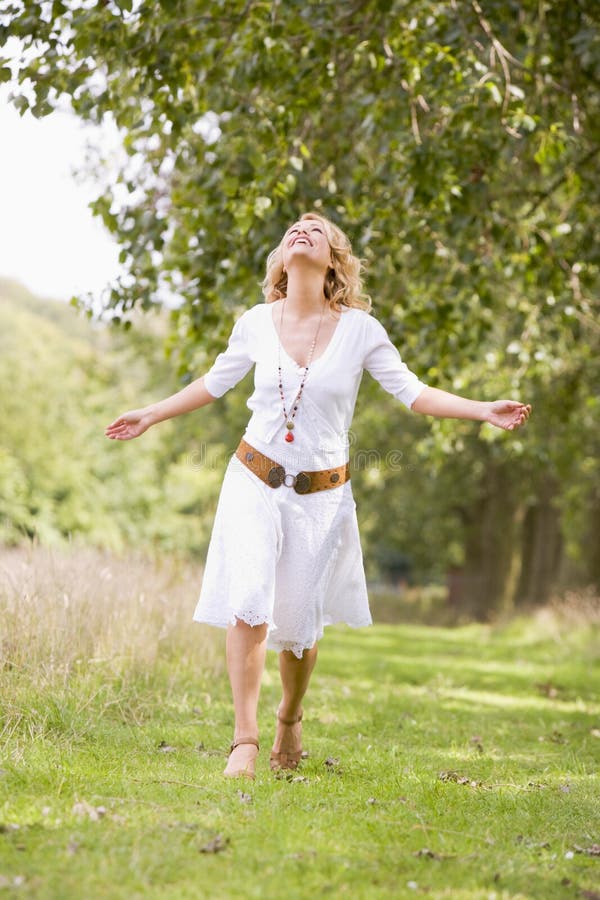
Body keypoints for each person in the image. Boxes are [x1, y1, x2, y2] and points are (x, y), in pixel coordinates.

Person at [105, 212, 531, 780]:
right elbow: (214, 382)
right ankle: (244, 740)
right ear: (283, 259)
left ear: (334, 261)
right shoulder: (255, 322)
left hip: (321, 496)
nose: (301, 230)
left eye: (317, 230)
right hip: (253, 478)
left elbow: (413, 392)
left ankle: (290, 714)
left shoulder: (361, 331)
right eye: (293, 230)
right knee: (249, 601)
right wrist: (151, 414)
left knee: (298, 628)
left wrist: (482, 410)